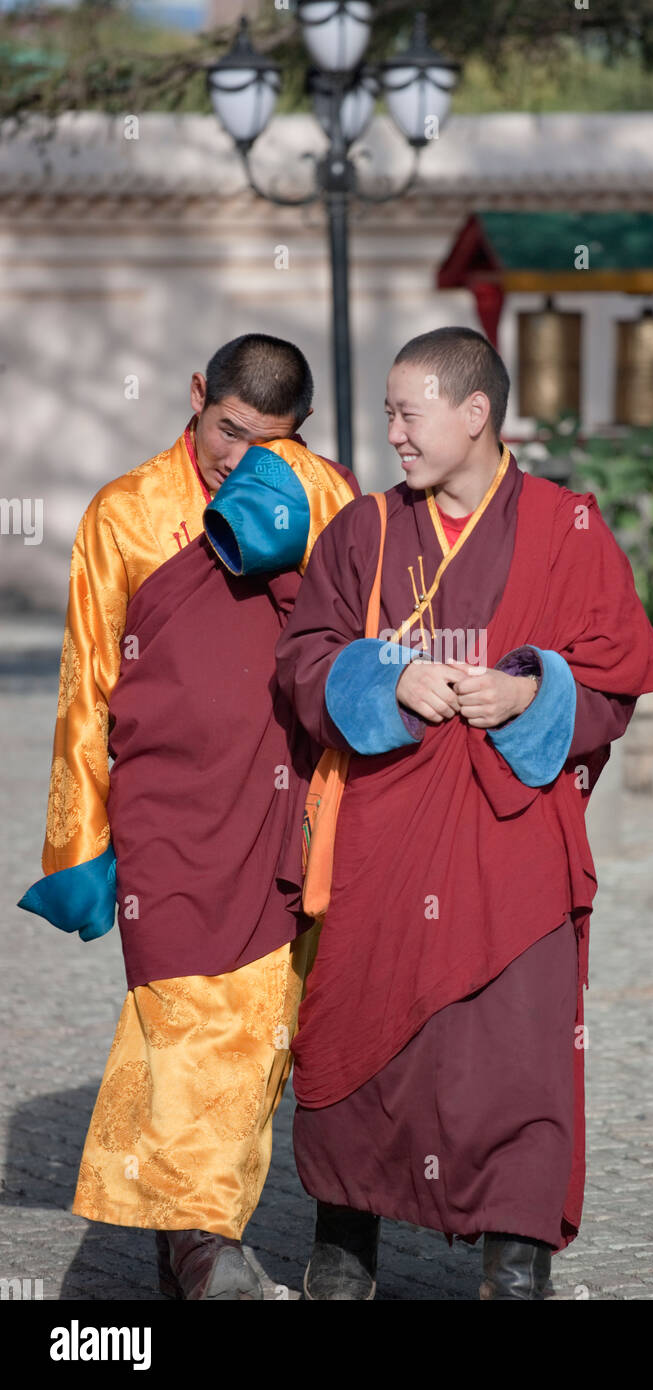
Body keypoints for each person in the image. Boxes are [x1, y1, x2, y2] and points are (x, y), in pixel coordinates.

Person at [275, 325, 653, 1300]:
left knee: (517, 1050)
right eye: (386, 415)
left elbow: (615, 676)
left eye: (408, 413)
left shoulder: (565, 525)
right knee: (356, 1032)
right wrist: (387, 674)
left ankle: (515, 1258)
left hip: (512, 836)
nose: (394, 434)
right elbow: (300, 659)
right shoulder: (363, 531)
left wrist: (536, 691)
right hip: (383, 833)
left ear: (473, 413)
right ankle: (342, 1240)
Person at [18, 333, 358, 1299]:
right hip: (168, 810)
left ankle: (194, 1246)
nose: (237, 459)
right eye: (227, 431)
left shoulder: (322, 494)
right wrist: (79, 843)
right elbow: (86, 685)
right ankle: (204, 1242)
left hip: (289, 804)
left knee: (264, 1025)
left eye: (271, 442)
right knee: (197, 1013)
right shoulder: (125, 513)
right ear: (197, 395)